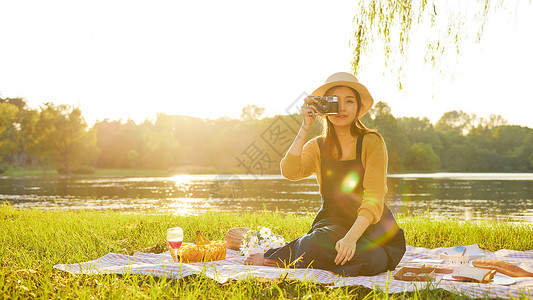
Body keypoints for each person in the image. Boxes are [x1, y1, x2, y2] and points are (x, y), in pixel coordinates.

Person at [244, 72, 406, 276]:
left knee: (373, 260)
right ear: (323, 107)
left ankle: (297, 258)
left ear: (358, 108)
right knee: (314, 244)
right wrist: (306, 125)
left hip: (371, 228)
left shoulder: (372, 142)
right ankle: (284, 257)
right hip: (331, 226)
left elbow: (374, 197)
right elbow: (290, 171)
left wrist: (351, 238)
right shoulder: (317, 146)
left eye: (349, 101)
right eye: (335, 101)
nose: (343, 107)